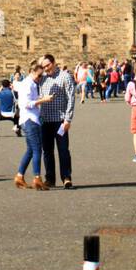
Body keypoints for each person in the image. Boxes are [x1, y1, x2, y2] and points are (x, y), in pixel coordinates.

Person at [38, 54, 76, 189]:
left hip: (60, 121)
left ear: (54, 63)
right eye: (43, 67)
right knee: (47, 151)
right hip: (45, 121)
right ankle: (50, 179)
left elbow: (71, 98)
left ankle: (66, 177)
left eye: (48, 65)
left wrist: (68, 119)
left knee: (63, 150)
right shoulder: (42, 79)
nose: (46, 69)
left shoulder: (65, 76)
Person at [14, 62, 51, 189]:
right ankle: (37, 179)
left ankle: (19, 176)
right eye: (39, 75)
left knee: (30, 150)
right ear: (32, 71)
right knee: (37, 150)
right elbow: (26, 104)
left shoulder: (32, 84)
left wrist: (40, 98)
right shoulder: (28, 84)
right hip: (30, 120)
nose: (40, 78)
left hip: (30, 119)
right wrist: (43, 100)